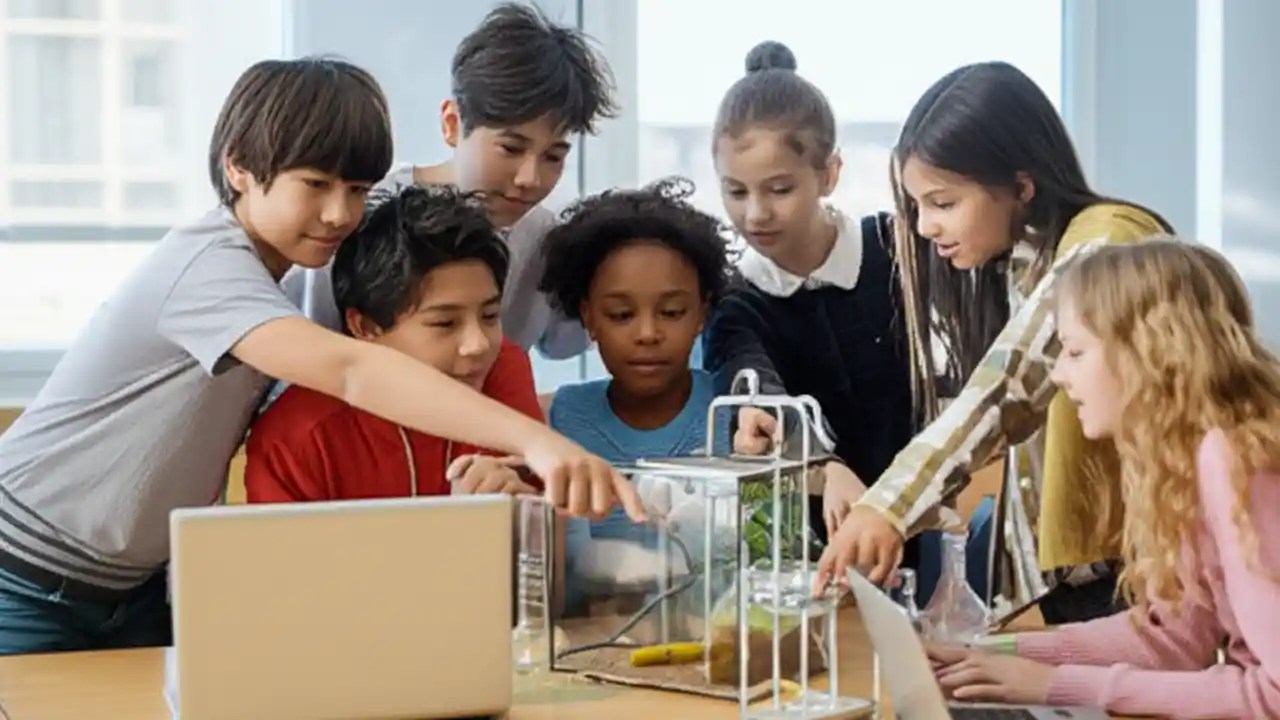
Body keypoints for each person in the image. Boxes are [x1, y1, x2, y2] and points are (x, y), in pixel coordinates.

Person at [0, 58, 639, 656]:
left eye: (357, 188)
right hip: (25, 571)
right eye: (315, 184)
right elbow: (352, 370)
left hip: (137, 586)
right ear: (240, 167)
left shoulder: (279, 273)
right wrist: (537, 442)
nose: (340, 214)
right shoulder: (207, 267)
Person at [817, 61, 1171, 624]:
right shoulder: (1020, 267)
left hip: (1131, 579)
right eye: (917, 207)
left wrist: (889, 505)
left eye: (943, 202)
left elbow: (1007, 387)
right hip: (1080, 585)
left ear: (1021, 187)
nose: (925, 226)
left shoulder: (1106, 244)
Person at [929, 240, 1280, 719]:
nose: (1058, 373)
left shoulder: (1236, 458)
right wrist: (994, 653)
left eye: (1075, 351)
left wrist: (1057, 686)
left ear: (1150, 353)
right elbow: (1174, 636)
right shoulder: (1187, 454)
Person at [288, 2, 616, 359]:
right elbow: (310, 345)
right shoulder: (362, 210)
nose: (530, 179)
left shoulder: (544, 238)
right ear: (452, 124)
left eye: (554, 156)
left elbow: (566, 343)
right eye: (510, 148)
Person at [702, 41, 915, 547]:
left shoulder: (896, 250)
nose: (755, 214)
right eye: (735, 192)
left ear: (828, 175)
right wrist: (823, 465)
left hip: (912, 523)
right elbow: (751, 386)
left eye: (778, 190)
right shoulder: (736, 299)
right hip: (800, 548)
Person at [245, 185, 543, 503]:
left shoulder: (502, 369)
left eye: (490, 315)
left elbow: (549, 532)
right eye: (445, 323)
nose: (478, 345)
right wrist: (462, 523)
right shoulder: (299, 437)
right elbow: (279, 554)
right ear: (366, 328)